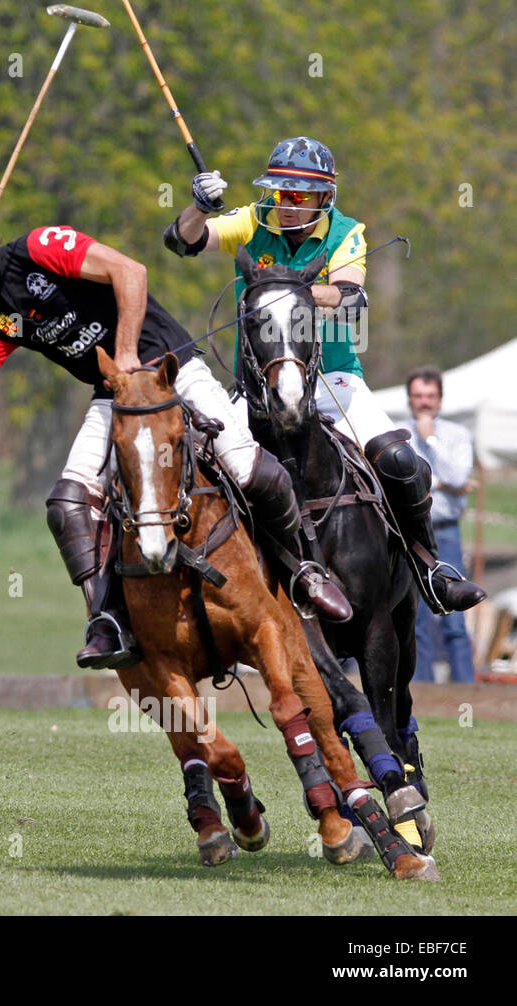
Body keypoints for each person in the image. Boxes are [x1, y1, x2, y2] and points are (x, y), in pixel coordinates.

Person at [0, 211, 351, 668]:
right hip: (114, 393)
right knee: (68, 503)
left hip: (168, 365)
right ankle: (107, 618)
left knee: (247, 467)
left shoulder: (39, 247)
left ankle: (306, 571)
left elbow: (129, 271)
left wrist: (126, 353)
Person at [164, 136, 485, 617]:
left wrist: (290, 293)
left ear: (324, 198)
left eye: (298, 196)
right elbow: (182, 241)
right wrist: (198, 207)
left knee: (401, 460)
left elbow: (351, 298)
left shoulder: (346, 232)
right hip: (257, 391)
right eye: (278, 192)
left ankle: (429, 569)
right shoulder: (253, 220)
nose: (286, 205)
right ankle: (187, 587)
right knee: (197, 466)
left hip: (333, 382)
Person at [406, 367, 476, 682]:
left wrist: (429, 439)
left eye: (430, 396)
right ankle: (423, 693)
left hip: (445, 531)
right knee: (415, 617)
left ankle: (467, 692)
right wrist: (444, 483)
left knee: (455, 616)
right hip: (410, 534)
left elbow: (460, 477)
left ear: (440, 399)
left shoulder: (456, 435)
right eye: (419, 396)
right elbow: (404, 483)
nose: (424, 402)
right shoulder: (397, 432)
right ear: (409, 399)